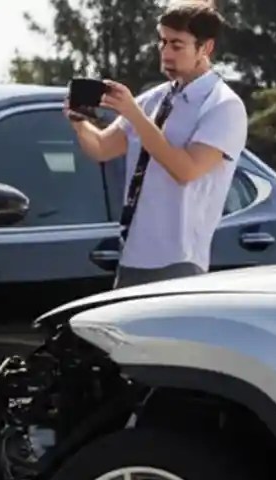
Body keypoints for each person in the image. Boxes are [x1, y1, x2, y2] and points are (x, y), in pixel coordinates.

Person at [65, 1, 248, 288]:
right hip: (131, 255)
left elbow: (185, 170)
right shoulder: (154, 99)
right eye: (162, 42)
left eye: (177, 45)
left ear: (205, 49)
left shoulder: (223, 106)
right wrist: (79, 123)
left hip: (178, 259)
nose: (165, 52)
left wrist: (134, 115)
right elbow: (102, 148)